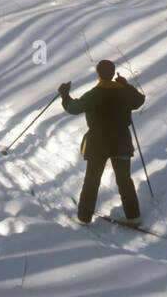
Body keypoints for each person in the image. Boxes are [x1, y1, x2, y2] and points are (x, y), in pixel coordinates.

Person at [58, 60, 145, 225]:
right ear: (113, 74)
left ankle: (83, 217)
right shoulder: (123, 92)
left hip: (98, 144)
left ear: (98, 74)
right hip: (121, 142)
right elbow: (139, 101)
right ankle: (133, 216)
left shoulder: (94, 94)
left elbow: (73, 108)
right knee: (124, 179)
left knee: (92, 180)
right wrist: (126, 85)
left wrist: (64, 94)